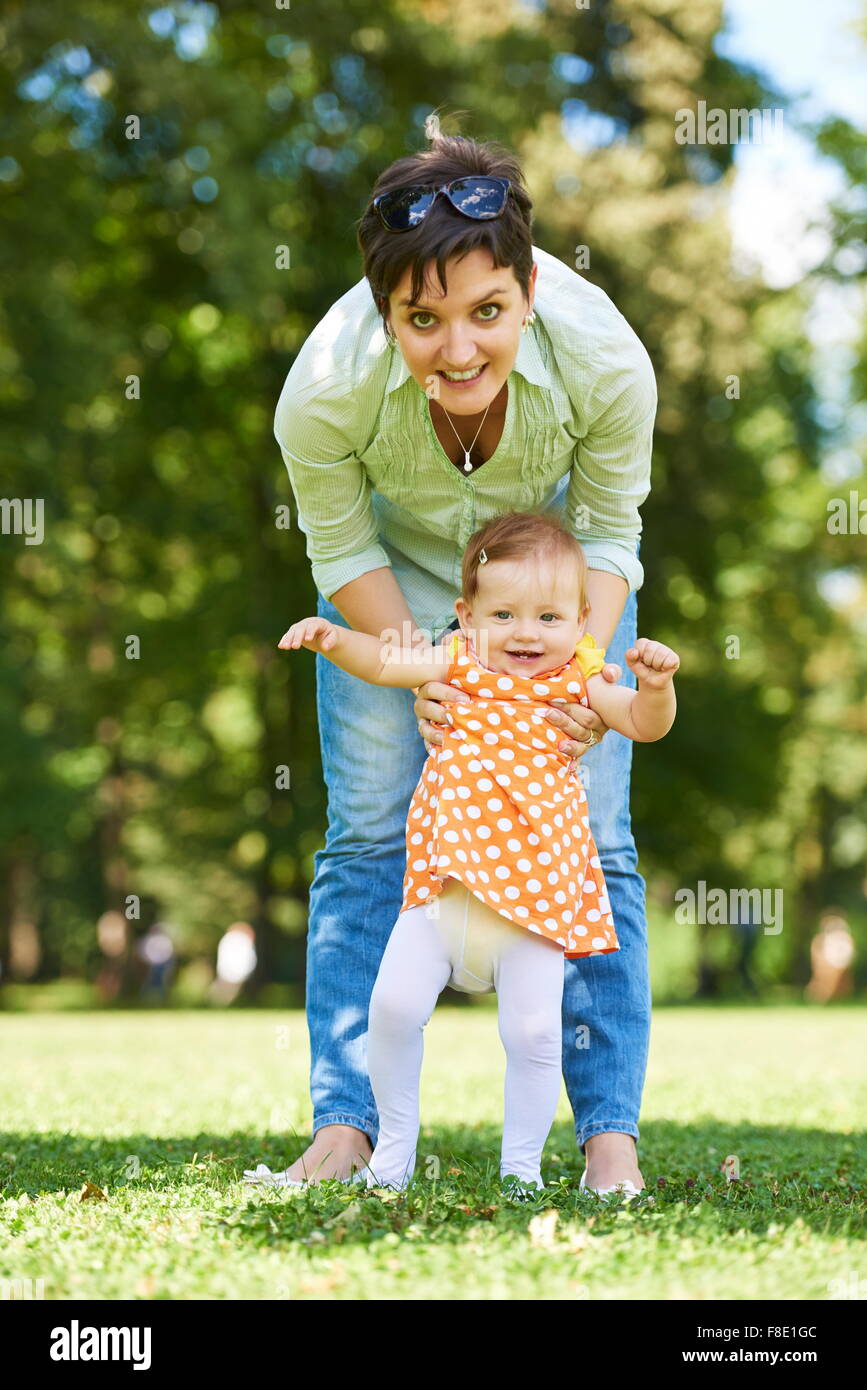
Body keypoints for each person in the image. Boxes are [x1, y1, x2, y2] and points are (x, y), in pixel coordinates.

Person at [258, 129, 658, 1193]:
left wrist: (577, 666)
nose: (461, 348)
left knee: (601, 839)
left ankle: (607, 1134)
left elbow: (611, 532)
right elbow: (340, 546)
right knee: (369, 836)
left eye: (487, 312)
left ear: (528, 288)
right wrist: (426, 663)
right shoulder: (325, 390)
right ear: (384, 311)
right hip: (391, 577)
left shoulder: (608, 362)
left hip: (551, 585)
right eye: (423, 321)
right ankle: (347, 1125)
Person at [245, 513, 677, 1199]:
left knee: (533, 1036)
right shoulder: (458, 663)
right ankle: (390, 1153)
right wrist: (333, 640)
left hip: (533, 908)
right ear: (465, 616)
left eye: (547, 616)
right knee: (389, 1009)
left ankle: (521, 1172)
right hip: (441, 896)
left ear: (582, 621)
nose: (525, 632)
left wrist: (654, 688)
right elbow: (386, 661)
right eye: (502, 613)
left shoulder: (579, 684)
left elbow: (641, 725)